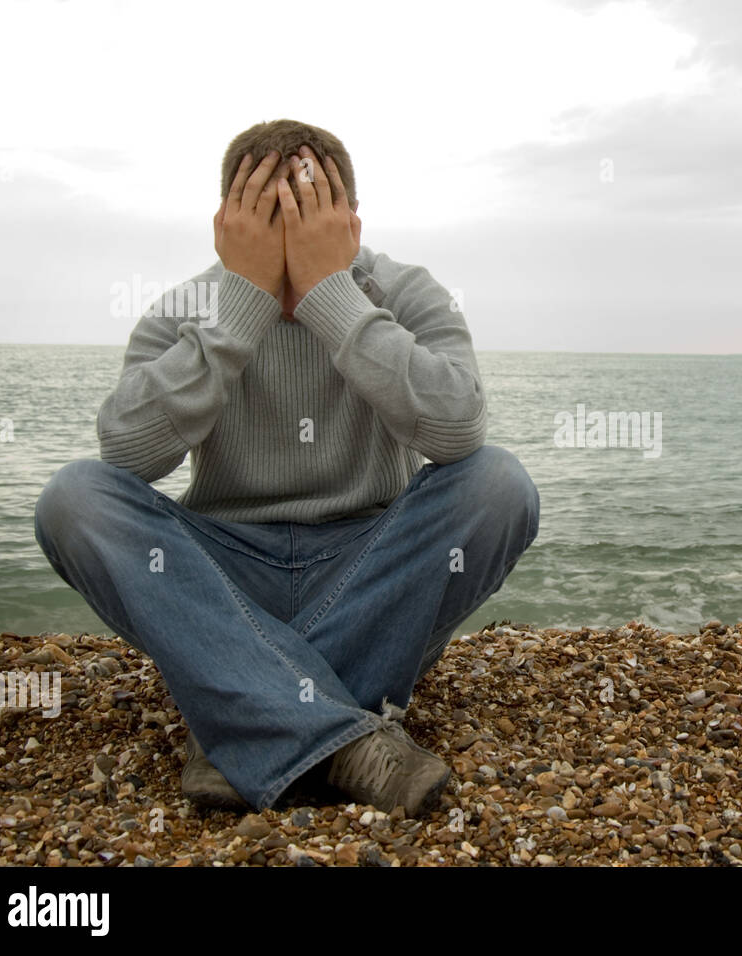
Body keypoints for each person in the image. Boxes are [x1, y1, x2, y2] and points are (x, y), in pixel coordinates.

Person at [33, 119, 539, 817]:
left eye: (308, 213)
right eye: (270, 217)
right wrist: (243, 305)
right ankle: (332, 729)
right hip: (226, 575)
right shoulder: (189, 309)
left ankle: (240, 716)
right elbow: (128, 455)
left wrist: (333, 296)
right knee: (74, 498)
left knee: (498, 485)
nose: (288, 231)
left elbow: (456, 430)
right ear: (230, 225)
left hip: (367, 568)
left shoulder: (407, 291)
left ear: (349, 222)